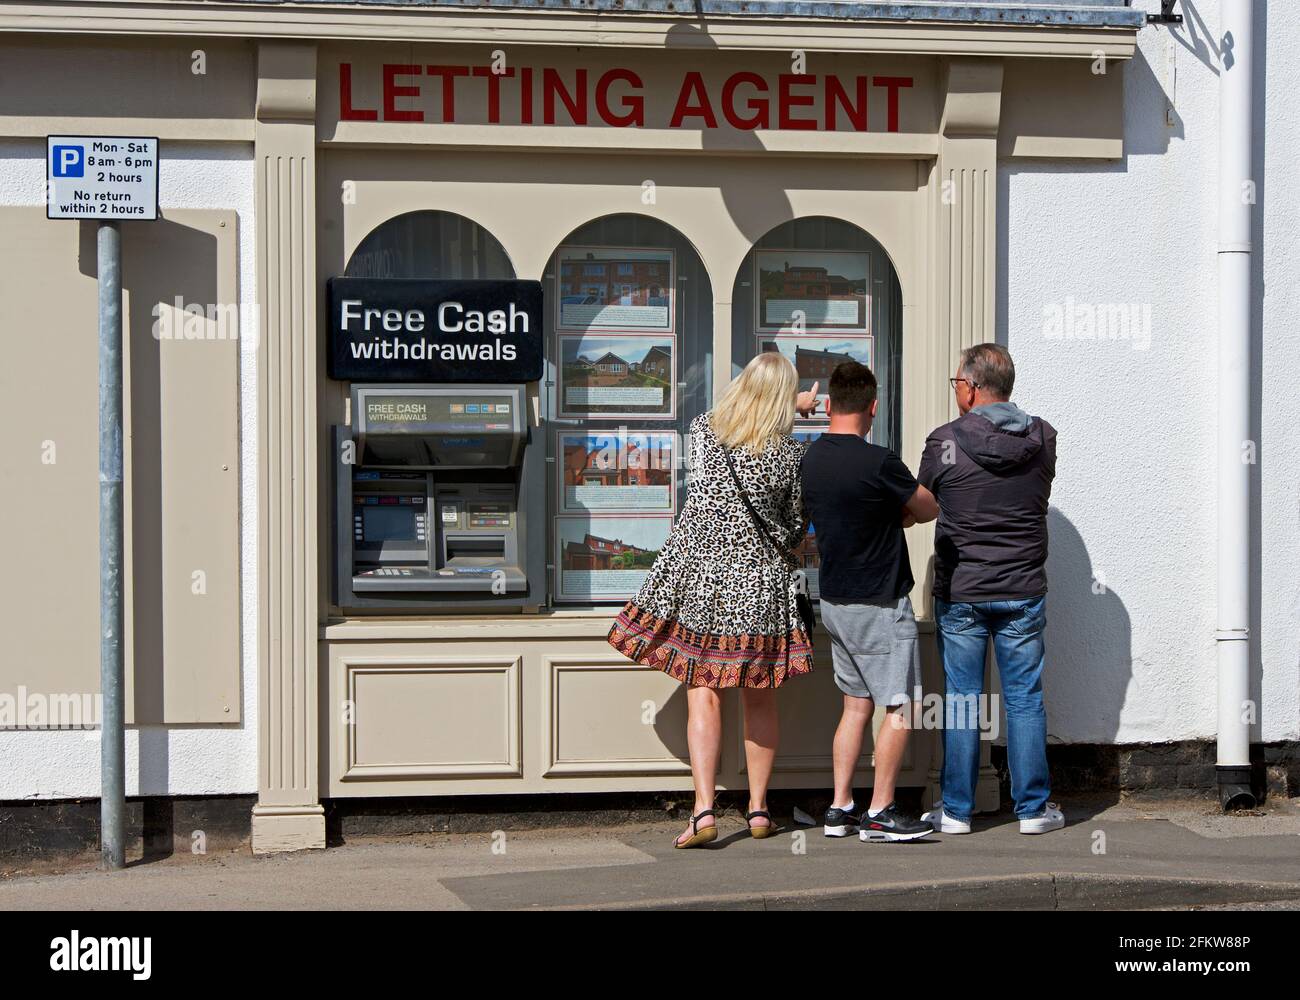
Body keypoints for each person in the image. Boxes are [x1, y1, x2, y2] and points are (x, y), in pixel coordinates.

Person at [608, 352, 820, 849]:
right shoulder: (793, 455)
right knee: (760, 695)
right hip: (760, 587)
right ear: (784, 398)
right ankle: (761, 809)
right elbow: (794, 530)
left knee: (703, 691)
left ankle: (704, 810)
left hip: (703, 582)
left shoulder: (704, 432)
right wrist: (800, 405)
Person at [917, 343, 1061, 835]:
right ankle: (1034, 811)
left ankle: (956, 811)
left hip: (963, 590)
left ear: (973, 387)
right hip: (1021, 587)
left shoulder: (944, 442)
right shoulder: (1042, 438)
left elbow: (923, 501)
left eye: (957, 382)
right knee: (1024, 697)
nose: (955, 389)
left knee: (961, 699)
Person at [800, 361, 939, 843]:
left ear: (831, 404)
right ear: (873, 407)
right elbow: (928, 507)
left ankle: (840, 808)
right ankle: (880, 811)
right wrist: (897, 515)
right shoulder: (880, 462)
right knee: (900, 708)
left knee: (855, 707)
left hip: (835, 600)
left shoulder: (811, 460)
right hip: (880, 602)